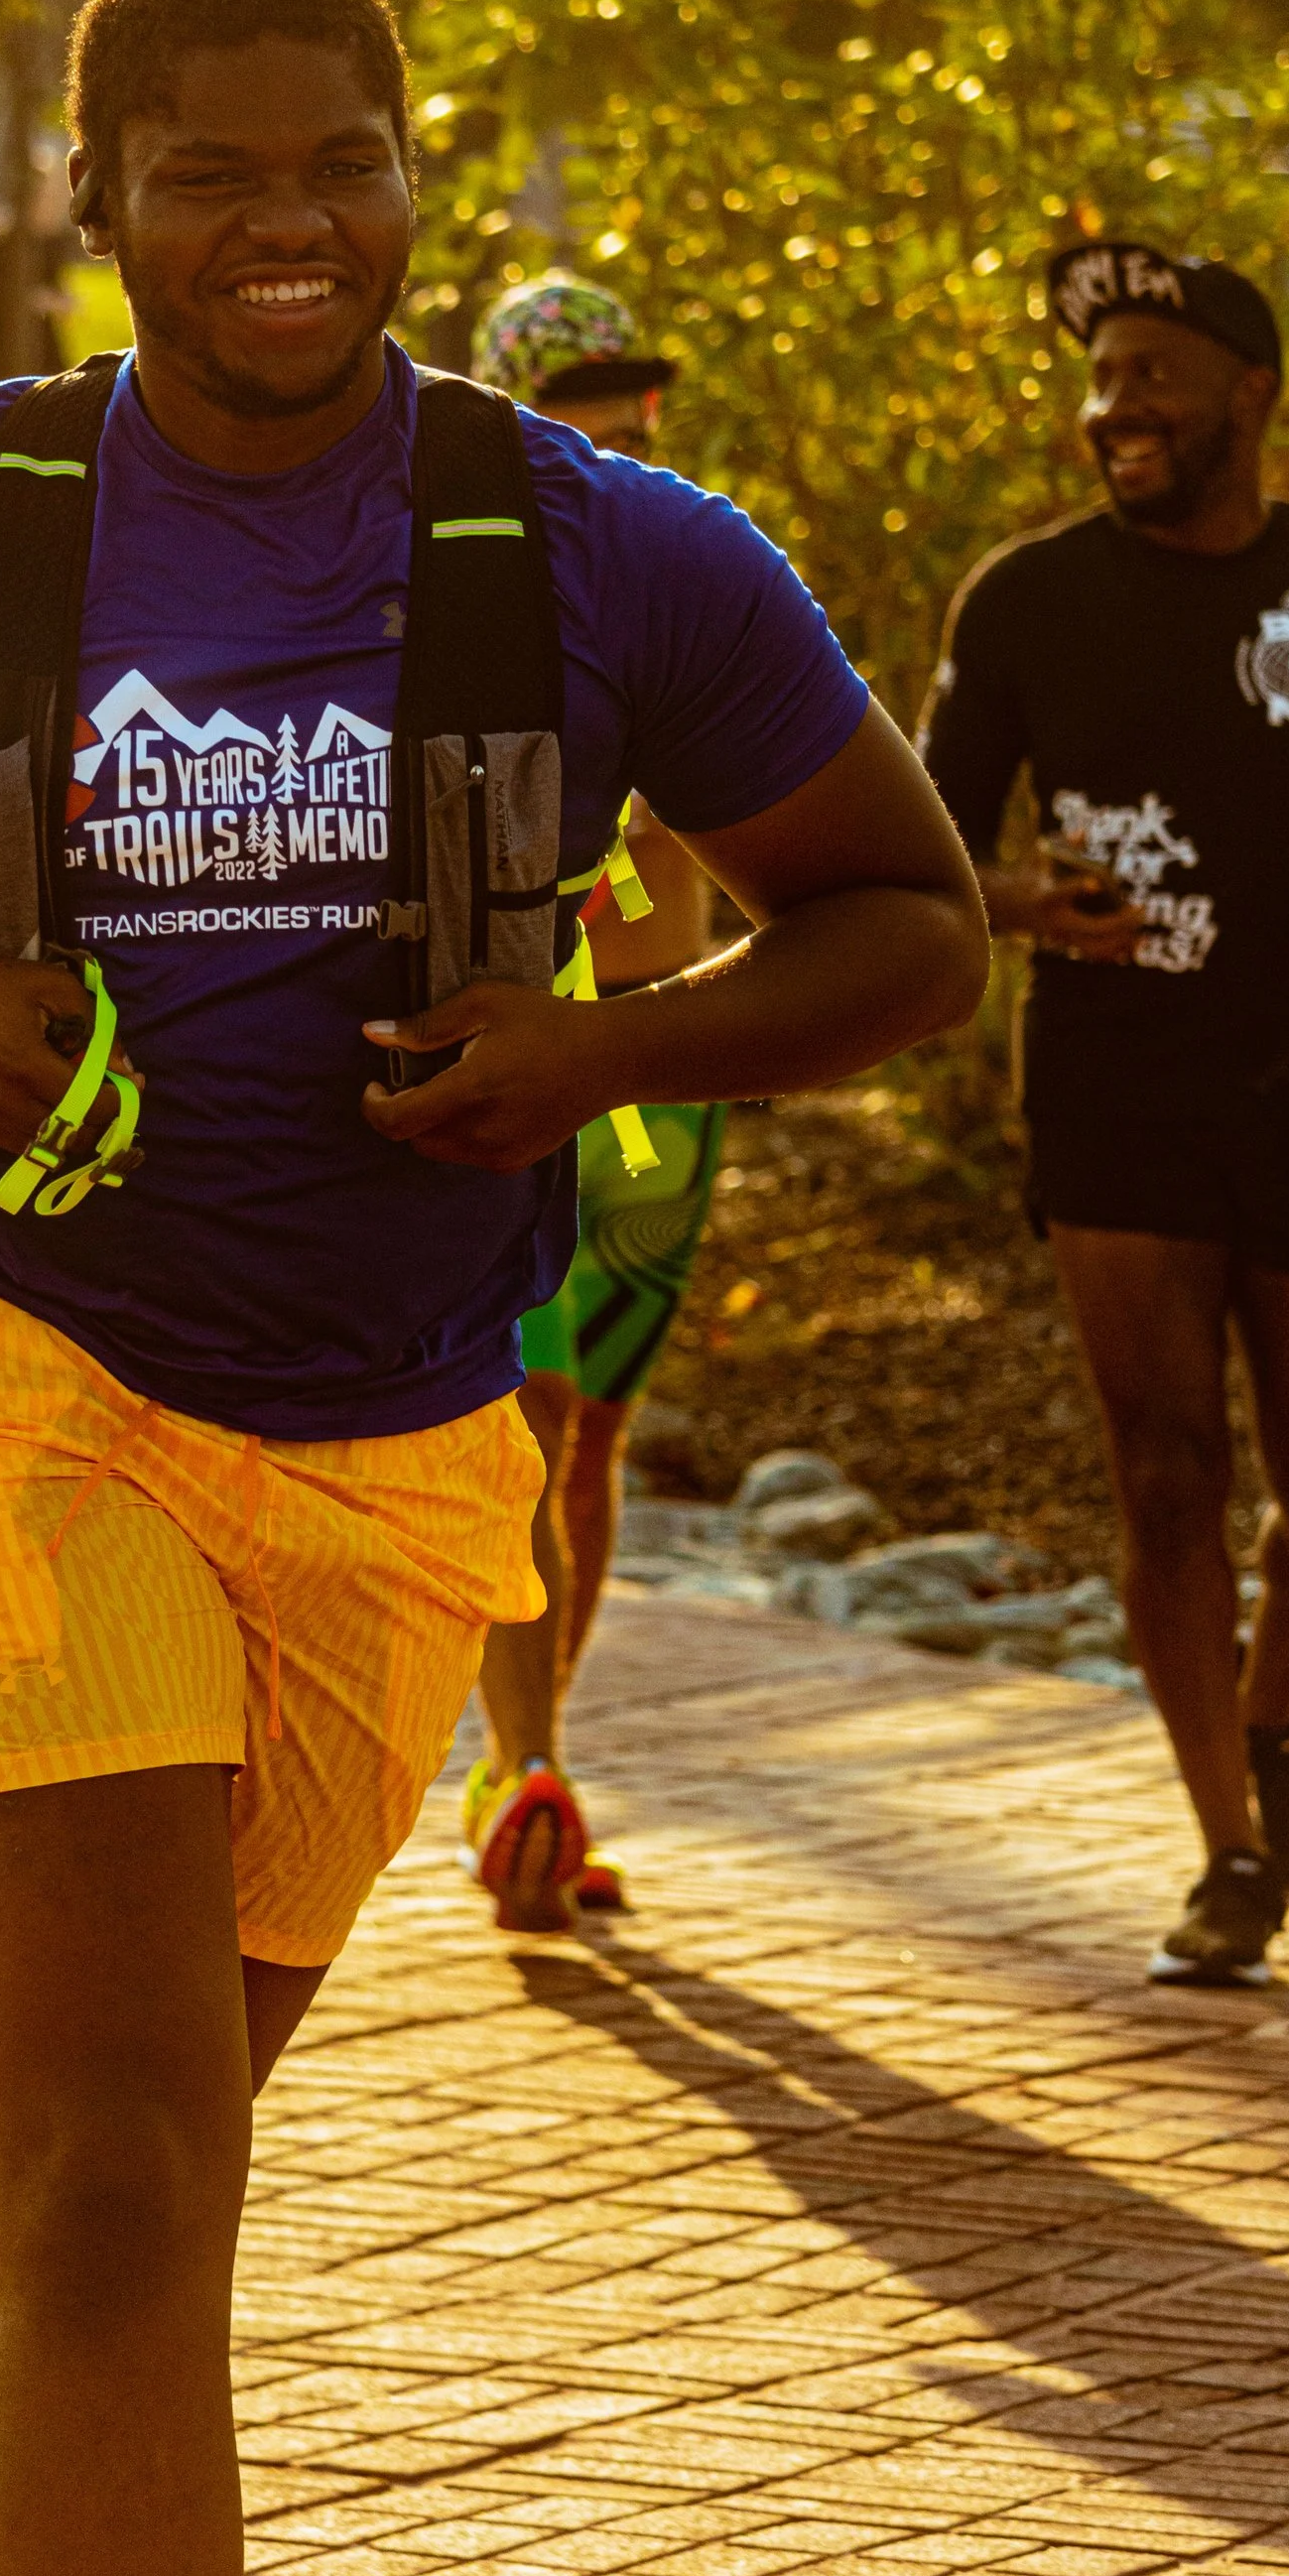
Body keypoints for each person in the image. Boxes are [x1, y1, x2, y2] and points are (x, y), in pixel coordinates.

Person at [0, 0, 988, 2576]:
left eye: (331, 161)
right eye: (201, 171)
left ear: (405, 174)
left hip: (388, 1422)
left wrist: (596, 1045)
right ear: (94, 200)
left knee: (135, 2150)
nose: (280, 226)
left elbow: (903, 919)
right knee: (107, 2166)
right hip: (3, 1359)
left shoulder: (594, 544)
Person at [922, 237, 1289, 1992]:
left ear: (1250, 397)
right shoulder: (1024, 603)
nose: (1118, 410)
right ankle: (1228, 1858)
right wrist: (1028, 906)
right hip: (1113, 1081)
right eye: (1102, 382)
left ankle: (1268, 1717)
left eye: (1155, 377)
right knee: (1166, 1475)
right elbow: (923, 844)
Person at [458, 275, 728, 1928]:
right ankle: (528, 1764)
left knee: (601, 1437)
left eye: (632, 392)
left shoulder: (697, 576)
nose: (621, 420)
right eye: (581, 395)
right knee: (531, 1426)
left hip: (673, 1060)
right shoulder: (469, 597)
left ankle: (528, 1754)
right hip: (538, 1052)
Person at [0, 151, 78, 382]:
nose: (55, 205)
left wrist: (61, 301)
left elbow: (57, 291)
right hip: (13, 347)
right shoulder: (8, 247)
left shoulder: (51, 246)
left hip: (46, 349)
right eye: (47, 198)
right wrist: (33, 298)